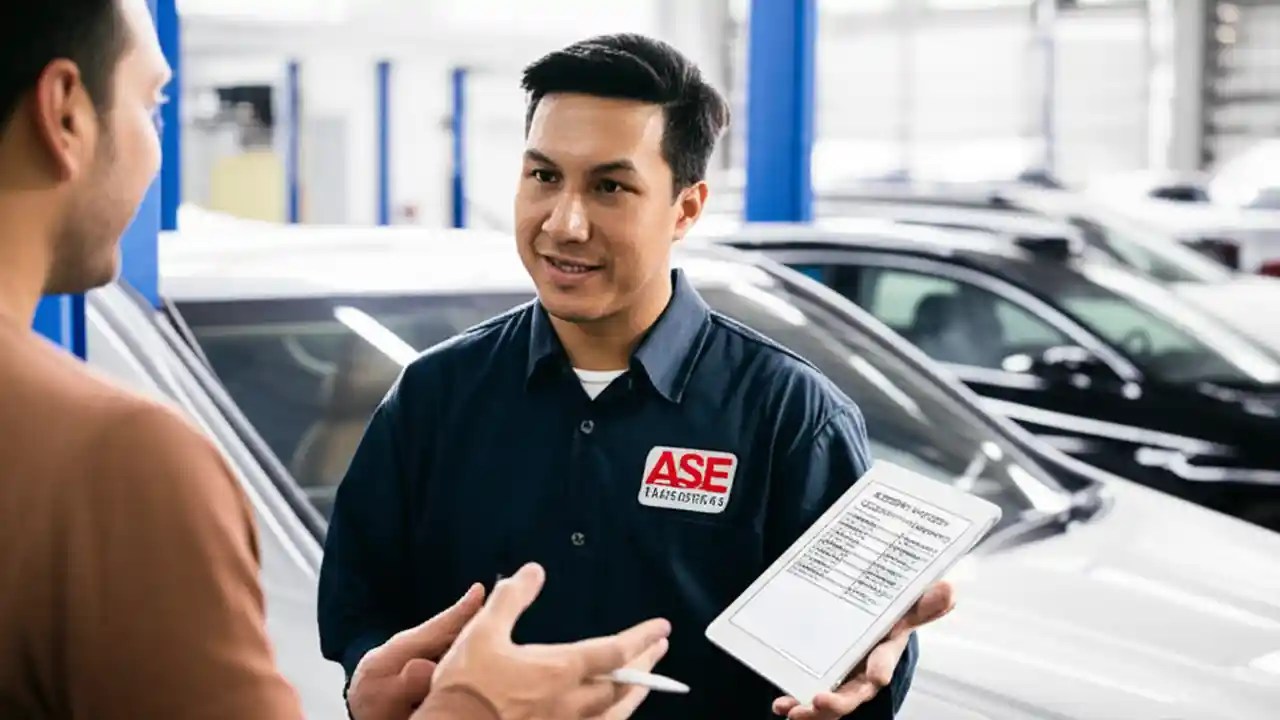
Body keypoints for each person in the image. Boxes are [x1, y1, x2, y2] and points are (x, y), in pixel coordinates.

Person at [0, 3, 668, 718]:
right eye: (153, 103)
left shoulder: (782, 403)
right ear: (66, 113)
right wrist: (472, 707)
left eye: (609, 186)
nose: (566, 221)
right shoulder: (116, 459)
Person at [318, 33, 956, 720]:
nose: (563, 222)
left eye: (610, 187)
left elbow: (852, 664)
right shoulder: (434, 398)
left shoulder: (787, 417)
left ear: (685, 208)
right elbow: (364, 617)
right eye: (543, 176)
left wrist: (858, 682)